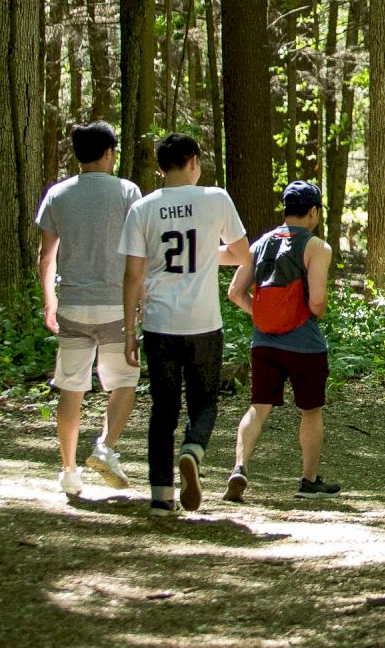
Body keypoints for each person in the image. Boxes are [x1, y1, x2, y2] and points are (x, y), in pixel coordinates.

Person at [119, 133, 251, 517]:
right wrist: (208, 252)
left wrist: (129, 330)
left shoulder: (143, 208)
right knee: (204, 402)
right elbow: (243, 254)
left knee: (163, 408)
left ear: (161, 167)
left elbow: (132, 276)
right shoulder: (216, 199)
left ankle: (161, 496)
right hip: (203, 323)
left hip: (160, 324)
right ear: (193, 160)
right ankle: (193, 449)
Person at [35, 121, 142, 497]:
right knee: (125, 382)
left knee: (71, 388)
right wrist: (139, 300)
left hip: (74, 305)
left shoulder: (57, 195)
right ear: (109, 152)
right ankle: (105, 446)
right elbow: (136, 254)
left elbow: (46, 257)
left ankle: (68, 470)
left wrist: (50, 302)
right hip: (116, 305)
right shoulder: (128, 192)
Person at [224, 181, 341, 501]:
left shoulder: (260, 244)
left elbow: (234, 292)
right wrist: (317, 312)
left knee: (257, 408)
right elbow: (317, 303)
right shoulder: (317, 247)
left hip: (264, 343)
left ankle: (239, 467)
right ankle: (308, 481)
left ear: (286, 210)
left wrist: (261, 314)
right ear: (313, 211)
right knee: (311, 411)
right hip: (305, 345)